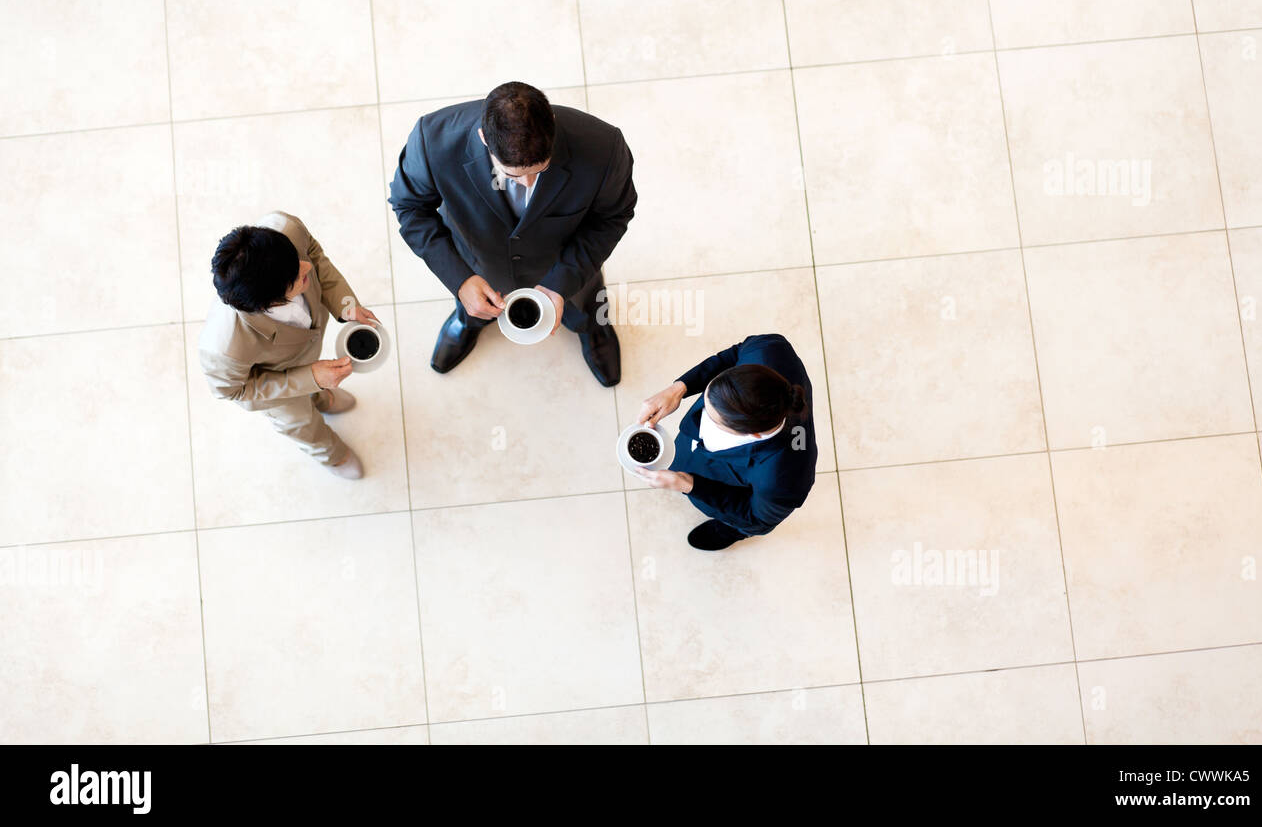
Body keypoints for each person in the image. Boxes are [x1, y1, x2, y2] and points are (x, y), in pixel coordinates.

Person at [389, 81, 635, 386]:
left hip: (568, 262)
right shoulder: (432, 140)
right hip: (480, 258)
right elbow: (410, 208)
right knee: (474, 303)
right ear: (483, 139)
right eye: (514, 175)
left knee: (586, 303)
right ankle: (469, 321)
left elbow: (613, 216)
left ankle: (592, 329)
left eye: (540, 170)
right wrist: (460, 279)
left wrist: (562, 283)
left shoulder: (604, 146)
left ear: (553, 126)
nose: (530, 185)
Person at [197, 211, 381, 480]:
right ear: (266, 304)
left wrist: (345, 304)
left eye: (297, 261)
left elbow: (313, 254)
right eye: (298, 277)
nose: (307, 268)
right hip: (275, 382)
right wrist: (309, 378)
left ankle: (321, 397)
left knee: (316, 383)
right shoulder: (223, 350)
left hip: (304, 348)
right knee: (303, 423)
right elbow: (235, 392)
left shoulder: (285, 229)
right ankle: (332, 456)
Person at [635, 334, 818, 550]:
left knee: (742, 524)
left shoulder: (783, 479)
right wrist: (679, 389)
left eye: (713, 419)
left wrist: (687, 484)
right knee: (681, 459)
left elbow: (757, 519)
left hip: (728, 487)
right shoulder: (769, 349)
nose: (700, 415)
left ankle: (730, 531)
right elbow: (733, 355)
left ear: (754, 435)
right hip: (697, 453)